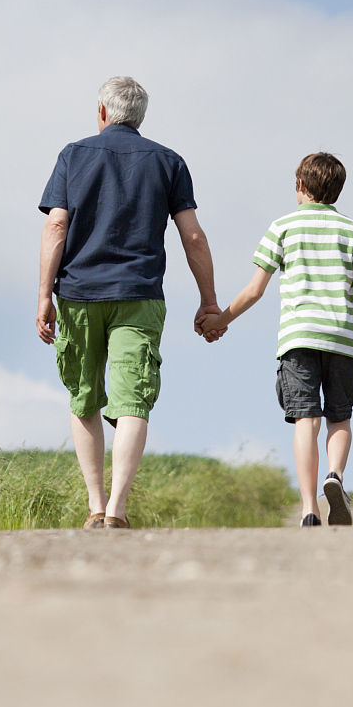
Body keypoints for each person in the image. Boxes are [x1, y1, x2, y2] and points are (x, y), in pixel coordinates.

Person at [37, 76, 220, 529]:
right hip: (139, 295)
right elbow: (193, 237)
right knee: (133, 401)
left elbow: (56, 226)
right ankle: (117, 512)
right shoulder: (168, 161)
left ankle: (95, 507)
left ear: (102, 111)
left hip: (78, 293)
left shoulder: (73, 155)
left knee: (84, 398)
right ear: (140, 116)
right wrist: (209, 301)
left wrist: (43, 295)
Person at [198, 151, 353, 526]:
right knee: (340, 417)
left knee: (306, 420)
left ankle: (309, 508)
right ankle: (335, 476)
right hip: (341, 339)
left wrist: (220, 319)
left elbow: (255, 290)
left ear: (300, 184)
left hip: (298, 338)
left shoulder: (282, 227)